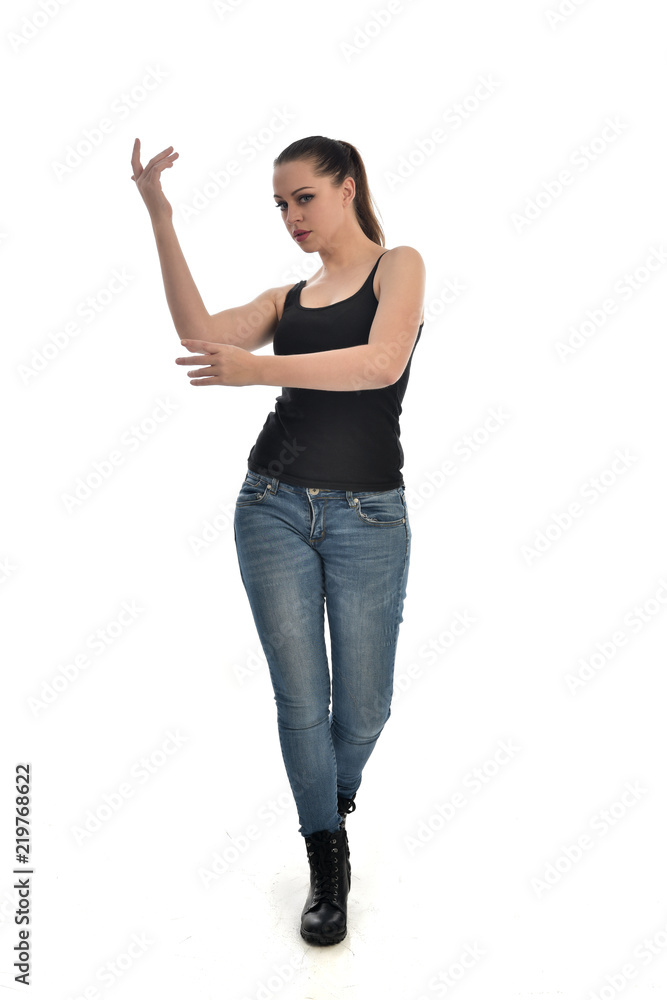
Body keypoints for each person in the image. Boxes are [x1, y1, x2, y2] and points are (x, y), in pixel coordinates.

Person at [131, 134, 425, 946]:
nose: (291, 216)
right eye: (279, 205)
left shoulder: (397, 266)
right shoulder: (285, 299)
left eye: (303, 197)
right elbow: (200, 331)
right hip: (272, 506)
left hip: (370, 516)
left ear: (347, 186)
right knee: (301, 701)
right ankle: (325, 859)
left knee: (364, 709)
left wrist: (259, 373)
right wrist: (160, 214)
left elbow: (379, 364)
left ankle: (329, 797)